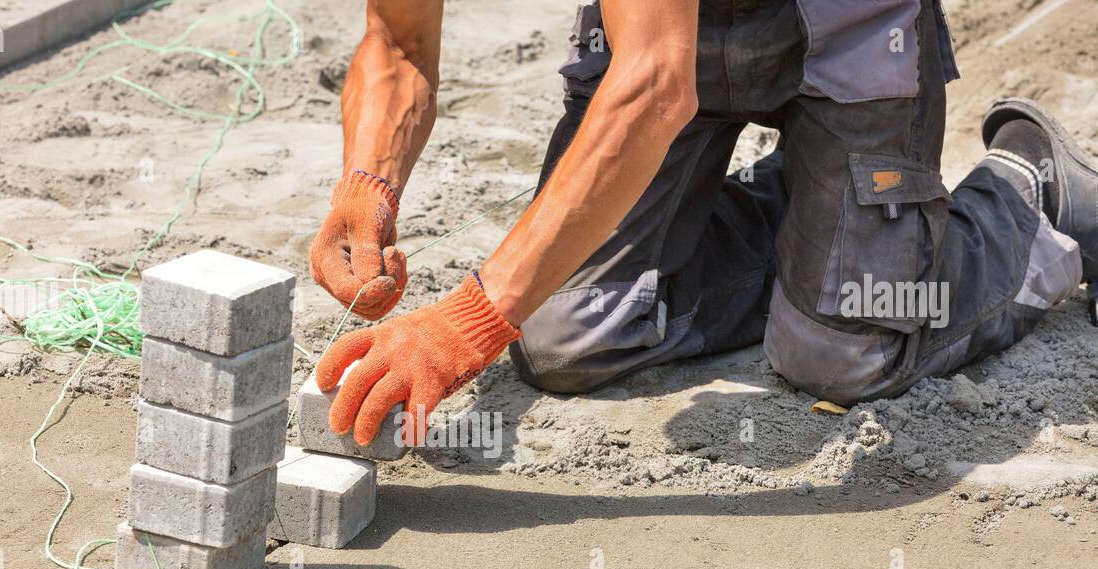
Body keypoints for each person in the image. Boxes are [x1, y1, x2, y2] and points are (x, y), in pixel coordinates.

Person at [307, 0, 1097, 447]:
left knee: (845, 351)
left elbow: (654, 91)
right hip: (653, 26)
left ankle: (1030, 191)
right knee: (566, 331)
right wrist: (368, 182)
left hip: (850, 20)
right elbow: (397, 44)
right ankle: (820, 218)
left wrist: (466, 324)